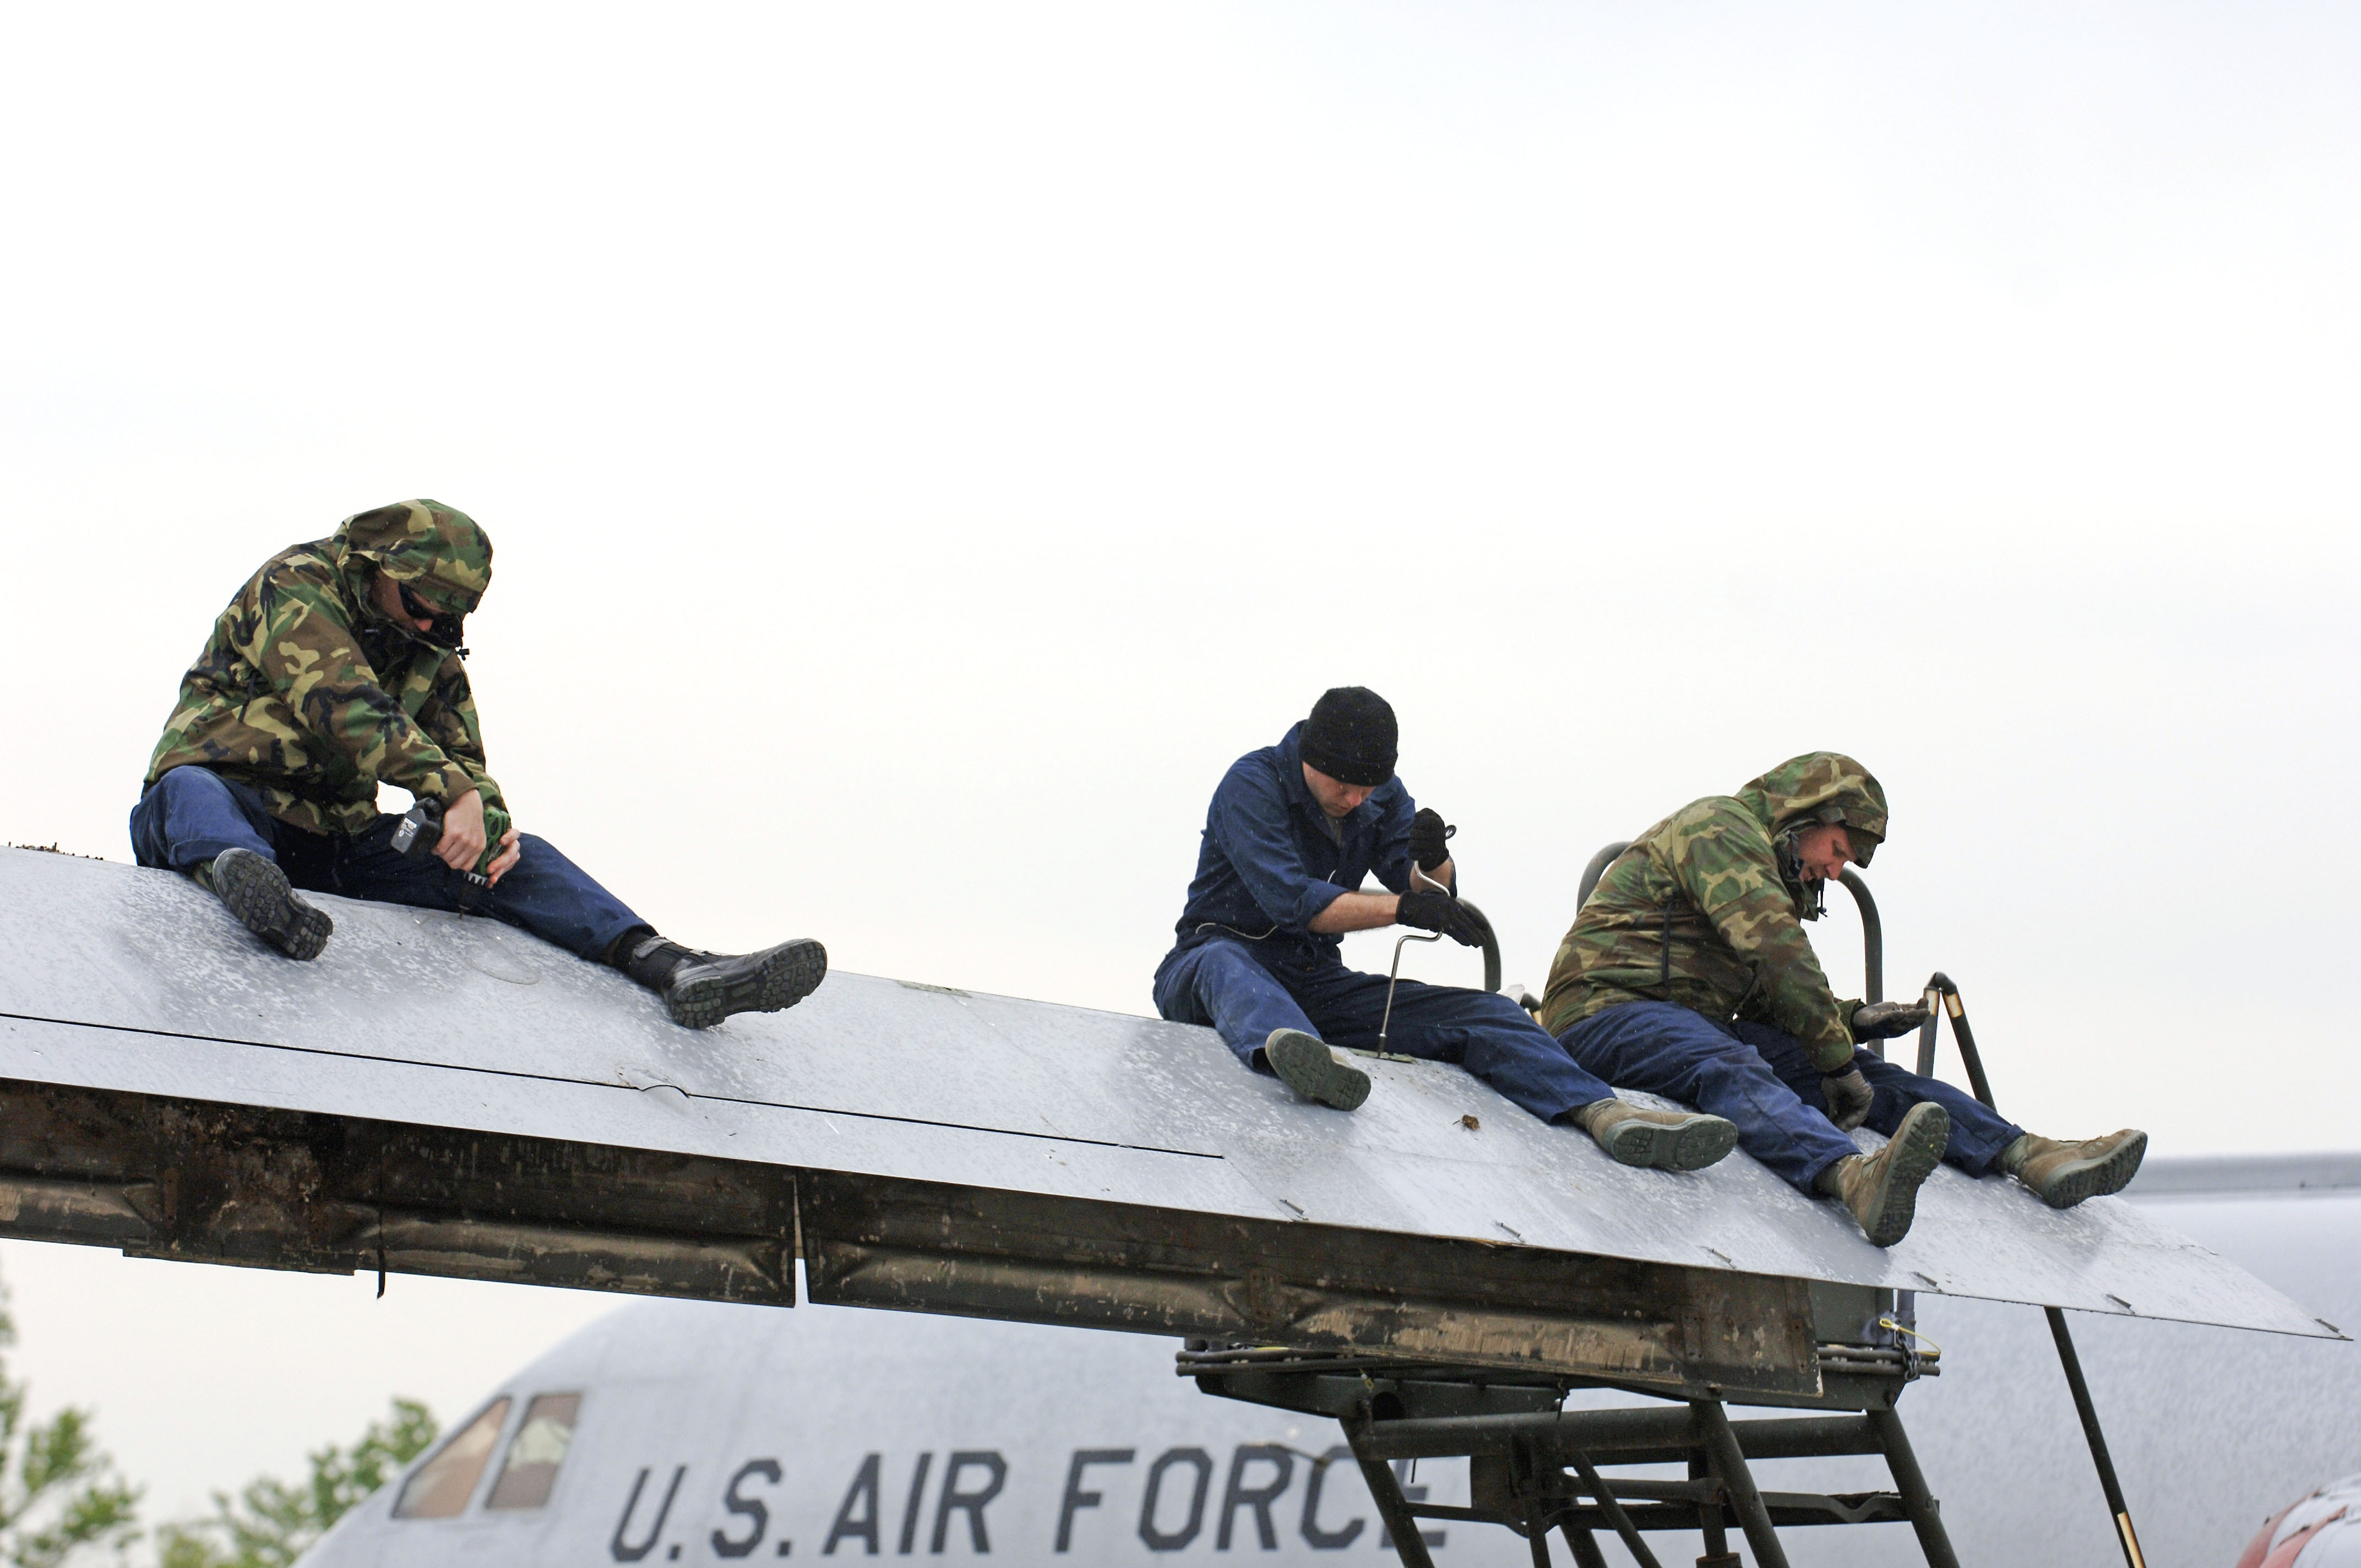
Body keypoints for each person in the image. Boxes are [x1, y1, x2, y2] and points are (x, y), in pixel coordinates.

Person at [129, 499, 824, 1029]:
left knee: (521, 856)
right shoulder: (297, 583)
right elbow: (340, 702)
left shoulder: (427, 649)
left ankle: (671, 967)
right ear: (381, 569)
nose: (430, 627)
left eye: (447, 619)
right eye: (421, 608)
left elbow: (466, 765)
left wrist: (484, 825)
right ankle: (244, 882)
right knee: (191, 790)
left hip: (336, 839)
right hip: (228, 801)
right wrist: (452, 788)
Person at [1541, 752, 2145, 1245]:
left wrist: (1850, 1021)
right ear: (1807, 813)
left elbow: (1762, 998)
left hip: (1683, 1023)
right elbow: (1777, 954)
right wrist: (1835, 1056)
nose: (1834, 872)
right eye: (1836, 851)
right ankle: (1850, 1176)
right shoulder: (1720, 829)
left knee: (1864, 1072)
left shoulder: (1771, 869)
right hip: (1602, 1014)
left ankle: (2024, 1152)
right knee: (1735, 1065)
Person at [1154, 687, 1737, 1172]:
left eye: (1367, 788)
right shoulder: (1250, 784)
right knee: (1227, 966)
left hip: (1314, 981)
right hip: (1210, 962)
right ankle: (1293, 1054)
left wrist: (1434, 865)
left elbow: (1424, 888)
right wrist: (1401, 908)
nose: (1356, 799)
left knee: (1491, 1013)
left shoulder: (1376, 796)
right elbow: (1293, 901)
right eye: (1343, 787)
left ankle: (1603, 1112)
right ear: (1310, 757)